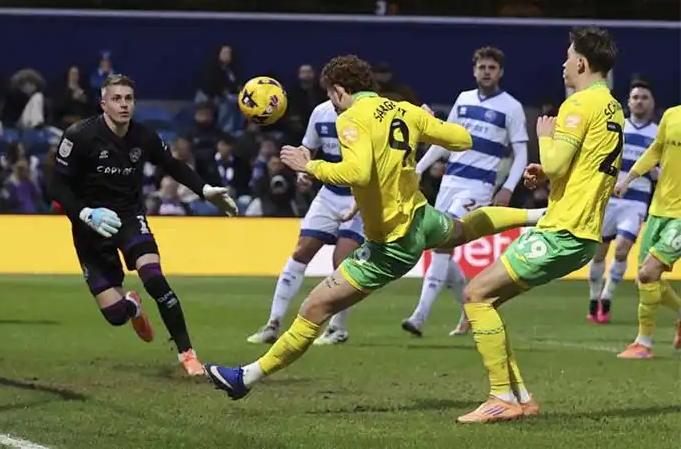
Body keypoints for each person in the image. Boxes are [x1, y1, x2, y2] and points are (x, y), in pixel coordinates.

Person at [201, 55, 544, 400]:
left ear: (338, 91)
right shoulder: (403, 109)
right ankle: (538, 216)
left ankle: (245, 378)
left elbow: (358, 171)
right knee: (461, 229)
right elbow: (461, 140)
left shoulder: (351, 118)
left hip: (391, 244)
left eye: (331, 96)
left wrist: (311, 165)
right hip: (420, 217)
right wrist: (426, 120)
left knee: (315, 308)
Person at [457, 26, 622, 423]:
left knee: (475, 294)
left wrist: (543, 138)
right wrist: (544, 175)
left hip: (563, 230)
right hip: (581, 230)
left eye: (568, 57)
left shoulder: (578, 105)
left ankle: (500, 396)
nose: (563, 64)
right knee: (487, 301)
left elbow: (556, 162)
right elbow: (576, 167)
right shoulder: (612, 106)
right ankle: (521, 398)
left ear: (581, 63)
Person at [49, 74, 237, 376]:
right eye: (116, 99)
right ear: (103, 104)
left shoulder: (144, 136)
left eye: (128, 99)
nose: (123, 105)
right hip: (90, 227)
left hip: (128, 218)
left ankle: (187, 354)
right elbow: (56, 185)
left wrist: (204, 190)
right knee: (114, 315)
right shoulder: (80, 135)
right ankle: (132, 306)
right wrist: (86, 213)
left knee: (154, 278)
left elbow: (172, 165)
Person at [404, 46, 528, 337]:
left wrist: (508, 187)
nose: (487, 72)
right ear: (474, 70)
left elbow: (521, 153)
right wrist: (419, 169)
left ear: (501, 72)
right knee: (441, 247)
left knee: (441, 243)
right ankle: (470, 307)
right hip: (450, 182)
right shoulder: (463, 99)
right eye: (482, 67)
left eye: (492, 68)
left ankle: (419, 317)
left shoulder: (511, 107)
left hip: (479, 187)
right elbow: (444, 140)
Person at [245, 101, 364, 347]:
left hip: (359, 194)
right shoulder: (320, 112)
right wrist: (302, 171)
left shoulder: (366, 113)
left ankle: (337, 328)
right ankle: (273, 323)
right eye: (331, 89)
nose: (334, 95)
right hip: (329, 193)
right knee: (301, 251)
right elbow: (307, 148)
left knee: (342, 261)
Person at [587, 80, 658, 323]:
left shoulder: (658, 133)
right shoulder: (617, 127)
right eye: (635, 97)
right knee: (599, 253)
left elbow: (665, 167)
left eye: (644, 97)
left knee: (621, 250)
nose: (639, 101)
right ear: (628, 102)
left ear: (652, 103)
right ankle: (593, 297)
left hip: (636, 200)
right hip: (609, 198)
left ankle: (607, 297)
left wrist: (657, 172)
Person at [614, 105, 681, 359]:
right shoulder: (672, 115)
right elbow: (656, 150)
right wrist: (628, 179)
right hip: (658, 209)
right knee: (645, 278)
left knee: (648, 271)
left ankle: (643, 343)